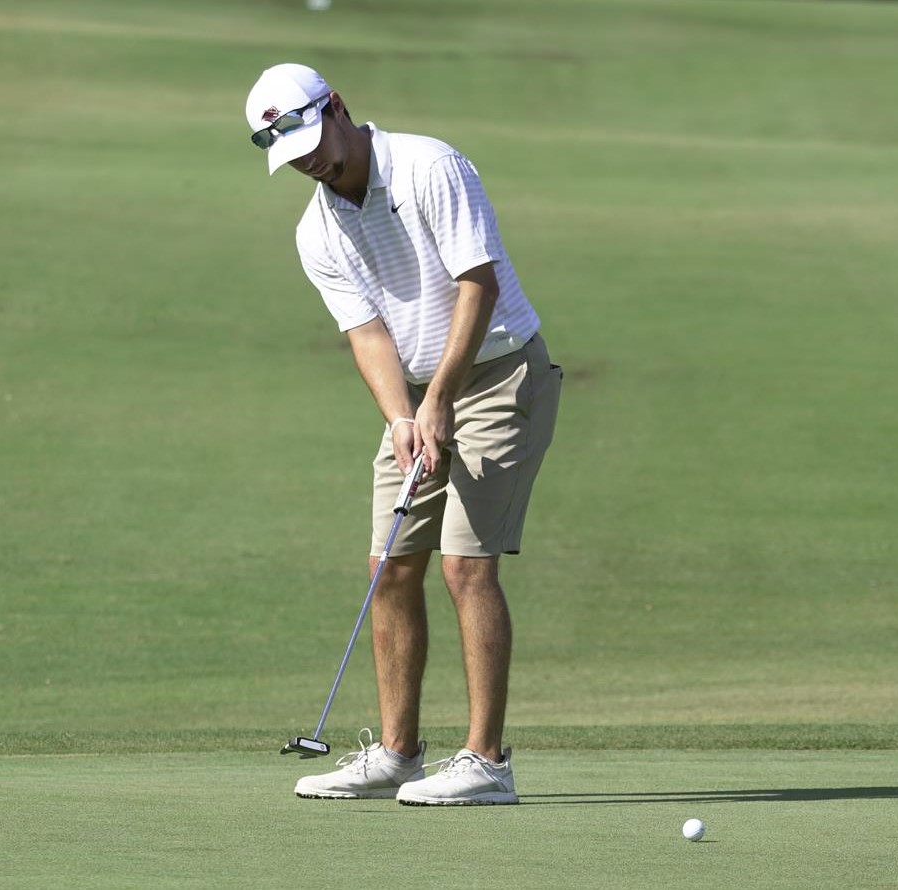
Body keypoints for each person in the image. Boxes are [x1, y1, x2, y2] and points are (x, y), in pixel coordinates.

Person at [245, 63, 563, 806]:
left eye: (310, 140)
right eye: (291, 156)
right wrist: (401, 415)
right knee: (389, 564)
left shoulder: (430, 166)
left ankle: (486, 762)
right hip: (417, 396)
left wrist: (442, 398)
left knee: (465, 566)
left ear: (339, 108)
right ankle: (397, 754)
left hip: (499, 373)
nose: (309, 162)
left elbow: (476, 285)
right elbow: (366, 333)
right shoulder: (316, 229)